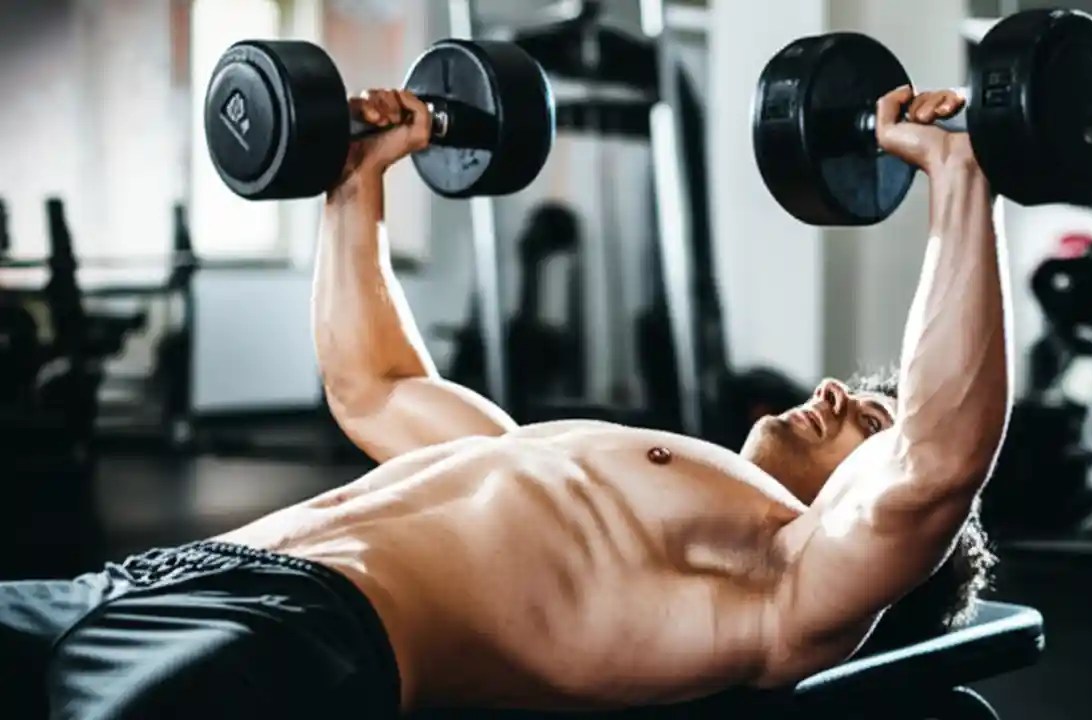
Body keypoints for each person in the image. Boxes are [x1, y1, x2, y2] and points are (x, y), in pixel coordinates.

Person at [0, 85, 1008, 718]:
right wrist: (354, 185)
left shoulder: (782, 589)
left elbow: (936, 464)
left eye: (866, 420)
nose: (831, 390)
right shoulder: (550, 458)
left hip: (291, 637)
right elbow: (375, 386)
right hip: (142, 582)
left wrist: (961, 185)